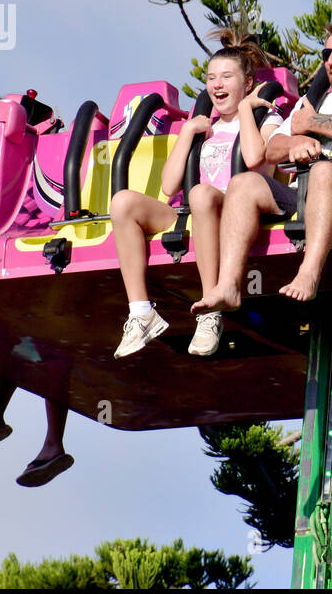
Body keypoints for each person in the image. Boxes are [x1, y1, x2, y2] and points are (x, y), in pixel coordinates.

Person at [192, 22, 332, 315]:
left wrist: (311, 125)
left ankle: (309, 272)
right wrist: (294, 144)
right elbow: (273, 148)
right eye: (327, 53)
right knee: (243, 183)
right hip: (305, 190)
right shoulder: (314, 101)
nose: (331, 60)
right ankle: (229, 284)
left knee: (323, 170)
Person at [110, 42, 284, 358]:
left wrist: (246, 111)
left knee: (202, 194)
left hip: (238, 211)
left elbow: (258, 162)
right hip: (196, 209)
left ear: (247, 83)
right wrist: (189, 131)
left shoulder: (266, 117)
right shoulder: (205, 126)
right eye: (211, 77)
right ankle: (141, 313)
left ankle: (210, 310)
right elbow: (168, 185)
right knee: (122, 202)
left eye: (226, 76)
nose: (217, 84)